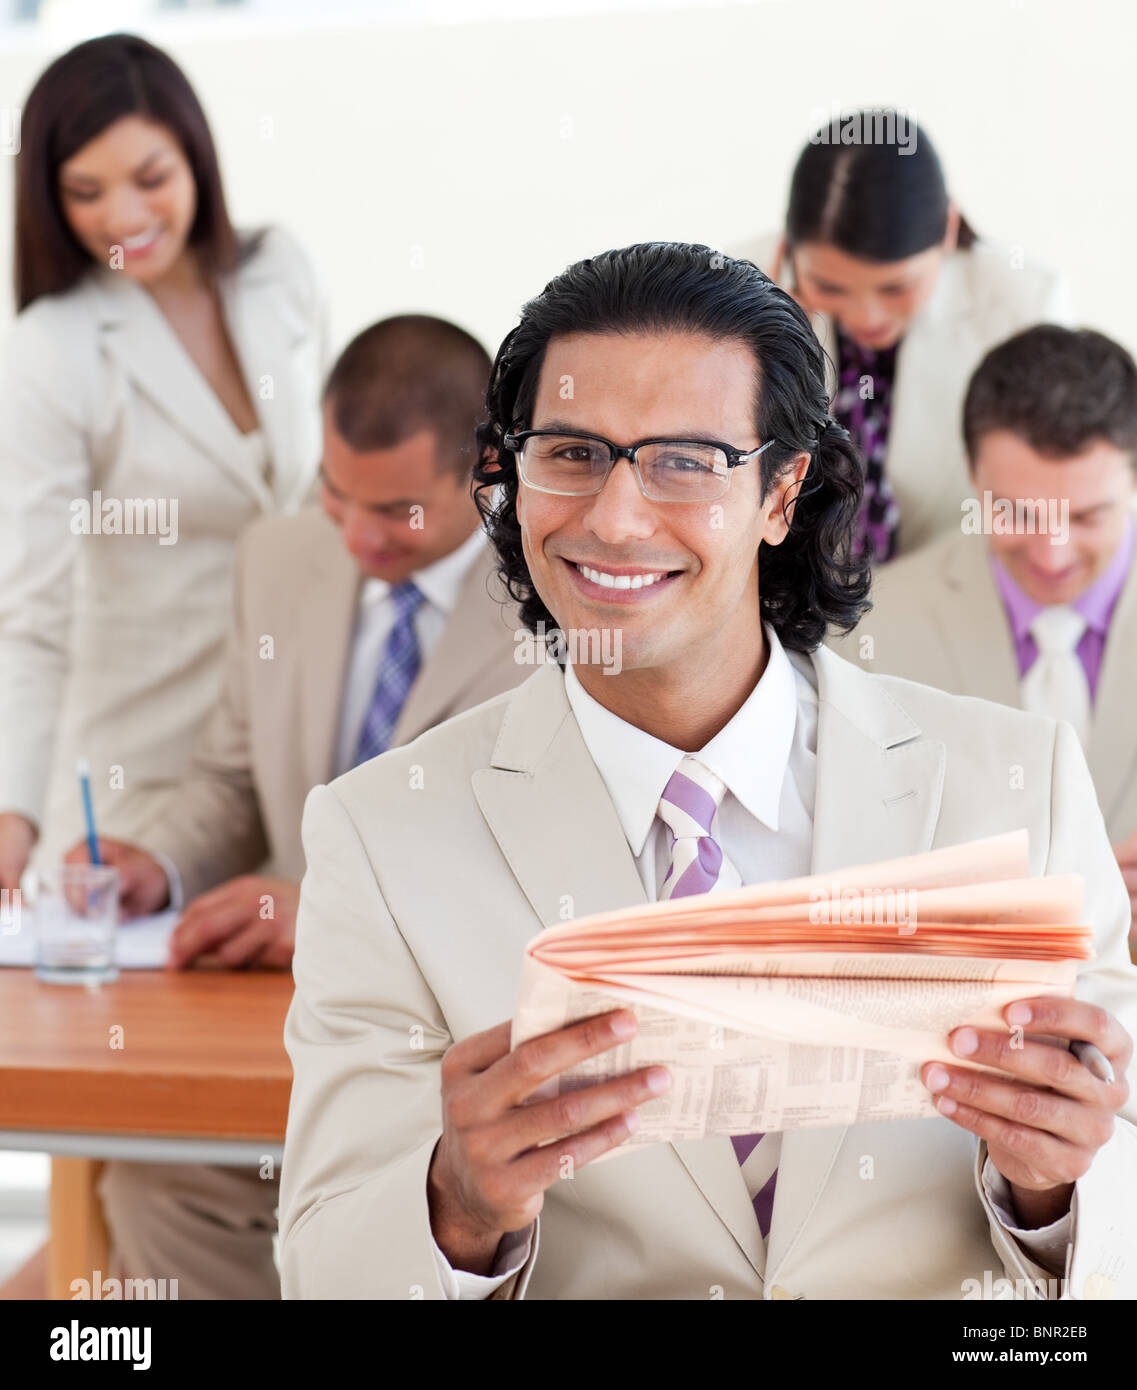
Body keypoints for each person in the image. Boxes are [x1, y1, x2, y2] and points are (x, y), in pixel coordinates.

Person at [277, 244, 1136, 1300]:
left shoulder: (1020, 783)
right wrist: (457, 1206)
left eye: (684, 460)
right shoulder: (380, 836)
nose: (615, 517)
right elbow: (324, 1266)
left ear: (782, 492)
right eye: (573, 453)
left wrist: (1053, 1190)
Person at [44, 315, 527, 1302]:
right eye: (334, 493)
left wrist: (330, 909)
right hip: (277, 1019)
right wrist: (163, 862)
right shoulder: (279, 557)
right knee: (157, 1182)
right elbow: (229, 778)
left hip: (454, 1041)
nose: (354, 536)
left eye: (392, 509)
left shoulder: (556, 593)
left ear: (485, 466)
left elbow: (537, 856)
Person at [0, 33, 326, 890]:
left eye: (151, 178)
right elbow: (29, 613)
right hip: (140, 773)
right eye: (85, 191)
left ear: (198, 161)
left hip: (289, 756)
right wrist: (13, 812)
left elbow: (326, 493)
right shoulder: (52, 350)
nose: (123, 216)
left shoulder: (276, 272)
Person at [831, 325, 1137, 954]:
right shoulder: (871, 628)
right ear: (971, 474)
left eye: (1086, 516)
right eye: (1017, 512)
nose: (1053, 554)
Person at [733, 109, 1071, 563]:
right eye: (831, 287)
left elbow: (1044, 487)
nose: (865, 315)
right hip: (785, 587)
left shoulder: (1021, 304)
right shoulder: (740, 287)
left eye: (896, 288)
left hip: (950, 583)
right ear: (789, 246)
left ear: (948, 231)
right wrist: (768, 340)